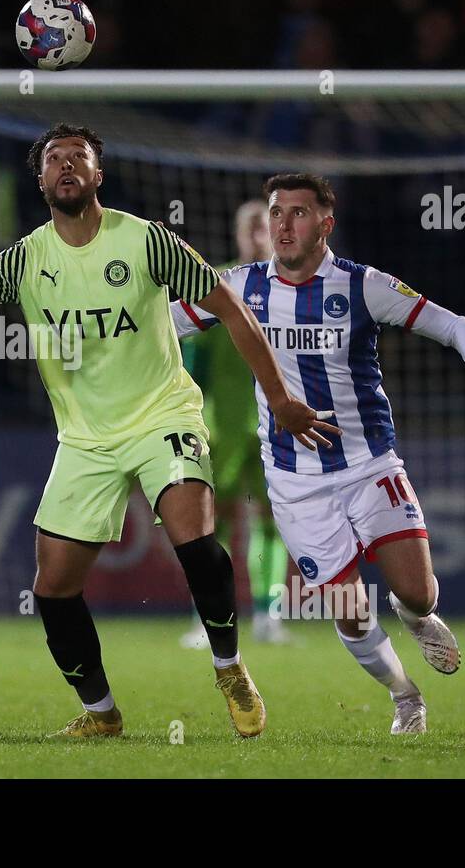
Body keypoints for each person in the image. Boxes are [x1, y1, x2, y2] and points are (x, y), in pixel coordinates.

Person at [0, 124, 338, 739]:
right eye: (54, 160)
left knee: (193, 536)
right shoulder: (24, 258)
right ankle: (101, 712)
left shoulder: (145, 241)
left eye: (78, 159)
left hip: (162, 415)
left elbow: (231, 307)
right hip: (85, 439)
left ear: (98, 175)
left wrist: (279, 398)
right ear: (40, 180)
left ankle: (228, 666)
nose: (66, 167)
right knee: (53, 588)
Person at [172, 173, 465, 734]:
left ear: (325, 224)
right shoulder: (239, 287)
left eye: (298, 213)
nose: (283, 225)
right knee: (352, 614)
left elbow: (454, 326)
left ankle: (415, 613)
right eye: (276, 212)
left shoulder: (363, 286)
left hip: (369, 465)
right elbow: (165, 323)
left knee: (418, 591)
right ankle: (406, 697)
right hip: (294, 480)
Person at [180, 199, 291, 650]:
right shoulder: (217, 285)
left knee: (273, 520)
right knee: (211, 522)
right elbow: (190, 360)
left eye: (263, 228)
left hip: (276, 425)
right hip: (220, 425)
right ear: (238, 235)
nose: (257, 237)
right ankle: (207, 620)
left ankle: (269, 617)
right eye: (249, 229)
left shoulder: (293, 288)